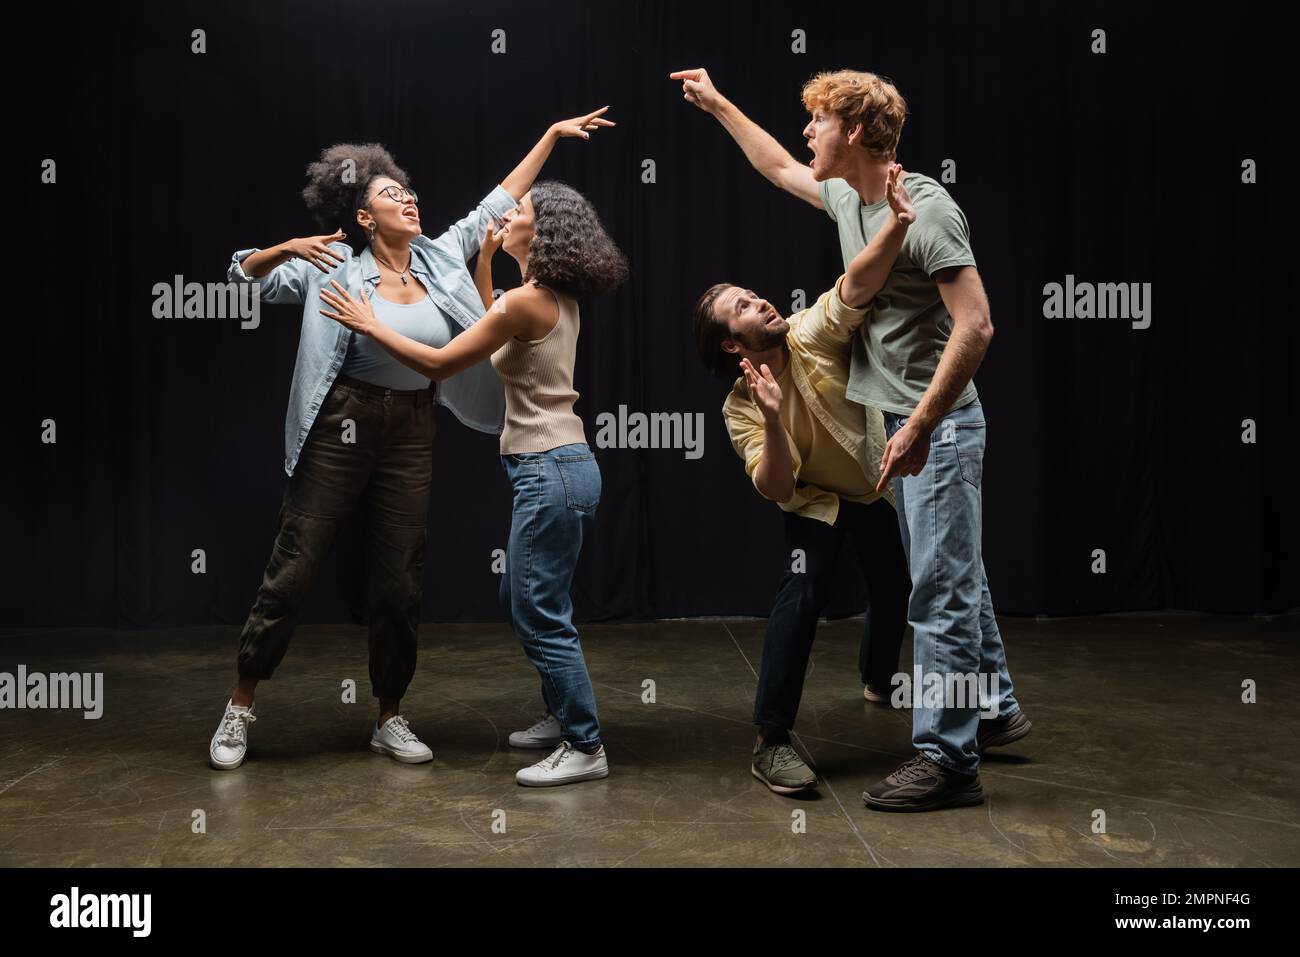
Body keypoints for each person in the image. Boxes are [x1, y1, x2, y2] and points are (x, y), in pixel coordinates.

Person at [209, 108, 615, 771]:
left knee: (400, 576)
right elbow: (242, 275)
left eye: (409, 190)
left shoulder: (440, 256)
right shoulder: (331, 262)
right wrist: (286, 248)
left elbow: (500, 200)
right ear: (364, 217)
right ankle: (241, 704)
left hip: (412, 425)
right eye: (391, 195)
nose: (408, 198)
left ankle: (390, 716)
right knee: (295, 567)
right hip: (341, 423)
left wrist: (547, 135)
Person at [674, 67, 1029, 811]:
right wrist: (716, 104)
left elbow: (979, 324)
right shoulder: (846, 196)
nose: (807, 133)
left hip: (941, 425)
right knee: (957, 574)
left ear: (857, 132)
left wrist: (923, 427)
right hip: (905, 425)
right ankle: (991, 707)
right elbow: (774, 164)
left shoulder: (926, 212)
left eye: (818, 122)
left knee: (939, 590)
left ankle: (948, 758)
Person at [319, 179, 628, 788]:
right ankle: (557, 712)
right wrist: (484, 261)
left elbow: (442, 362)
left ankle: (584, 743)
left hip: (550, 468)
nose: (509, 215)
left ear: (541, 233)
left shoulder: (527, 302)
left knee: (538, 610)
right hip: (560, 467)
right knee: (523, 597)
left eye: (521, 211)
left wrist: (369, 322)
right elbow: (495, 333)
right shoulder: (546, 298)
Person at [692, 164, 913, 795]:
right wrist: (770, 419)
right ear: (734, 346)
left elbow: (856, 285)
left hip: (876, 484)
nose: (759, 299)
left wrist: (898, 223)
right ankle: (772, 741)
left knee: (895, 587)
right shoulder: (739, 407)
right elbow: (780, 489)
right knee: (802, 594)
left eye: (750, 292)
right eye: (742, 307)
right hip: (816, 502)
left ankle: (878, 678)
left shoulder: (810, 331)